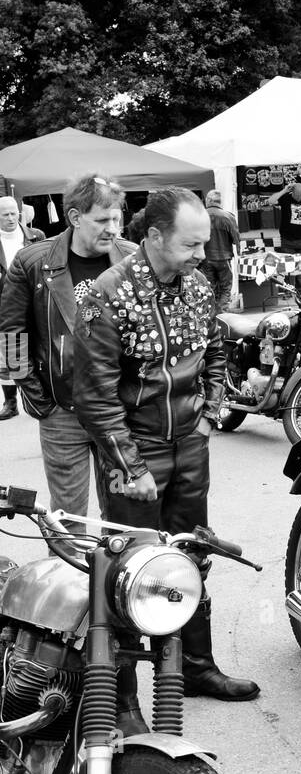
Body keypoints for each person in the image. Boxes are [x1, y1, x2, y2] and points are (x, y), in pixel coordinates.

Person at [72, 186, 259, 705]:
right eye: (191, 245)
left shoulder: (198, 287)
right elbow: (93, 396)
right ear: (153, 236)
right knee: (130, 569)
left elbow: (216, 348)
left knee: (192, 555)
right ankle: (122, 698)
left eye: (203, 245)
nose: (203, 255)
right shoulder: (105, 294)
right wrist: (130, 465)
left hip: (189, 446)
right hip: (134, 452)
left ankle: (196, 667)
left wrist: (211, 412)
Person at [0, 176, 135, 511]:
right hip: (62, 413)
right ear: (75, 218)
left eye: (117, 219)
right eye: (102, 220)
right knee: (69, 520)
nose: (113, 229)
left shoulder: (133, 259)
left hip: (121, 413)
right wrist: (38, 399)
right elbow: (11, 335)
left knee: (124, 519)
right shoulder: (32, 262)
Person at [0, 195, 45, 420]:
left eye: (13, 213)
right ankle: (11, 402)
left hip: (34, 301)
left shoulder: (36, 236)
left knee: (37, 349)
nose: (10, 218)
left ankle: (34, 396)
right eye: (4, 214)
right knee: (11, 352)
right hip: (6, 305)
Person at [200, 189, 239, 313]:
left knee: (208, 287)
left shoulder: (200, 215)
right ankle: (222, 313)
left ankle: (210, 312)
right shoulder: (228, 216)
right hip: (224, 257)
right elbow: (236, 239)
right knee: (225, 288)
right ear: (219, 202)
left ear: (209, 201)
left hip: (206, 257)